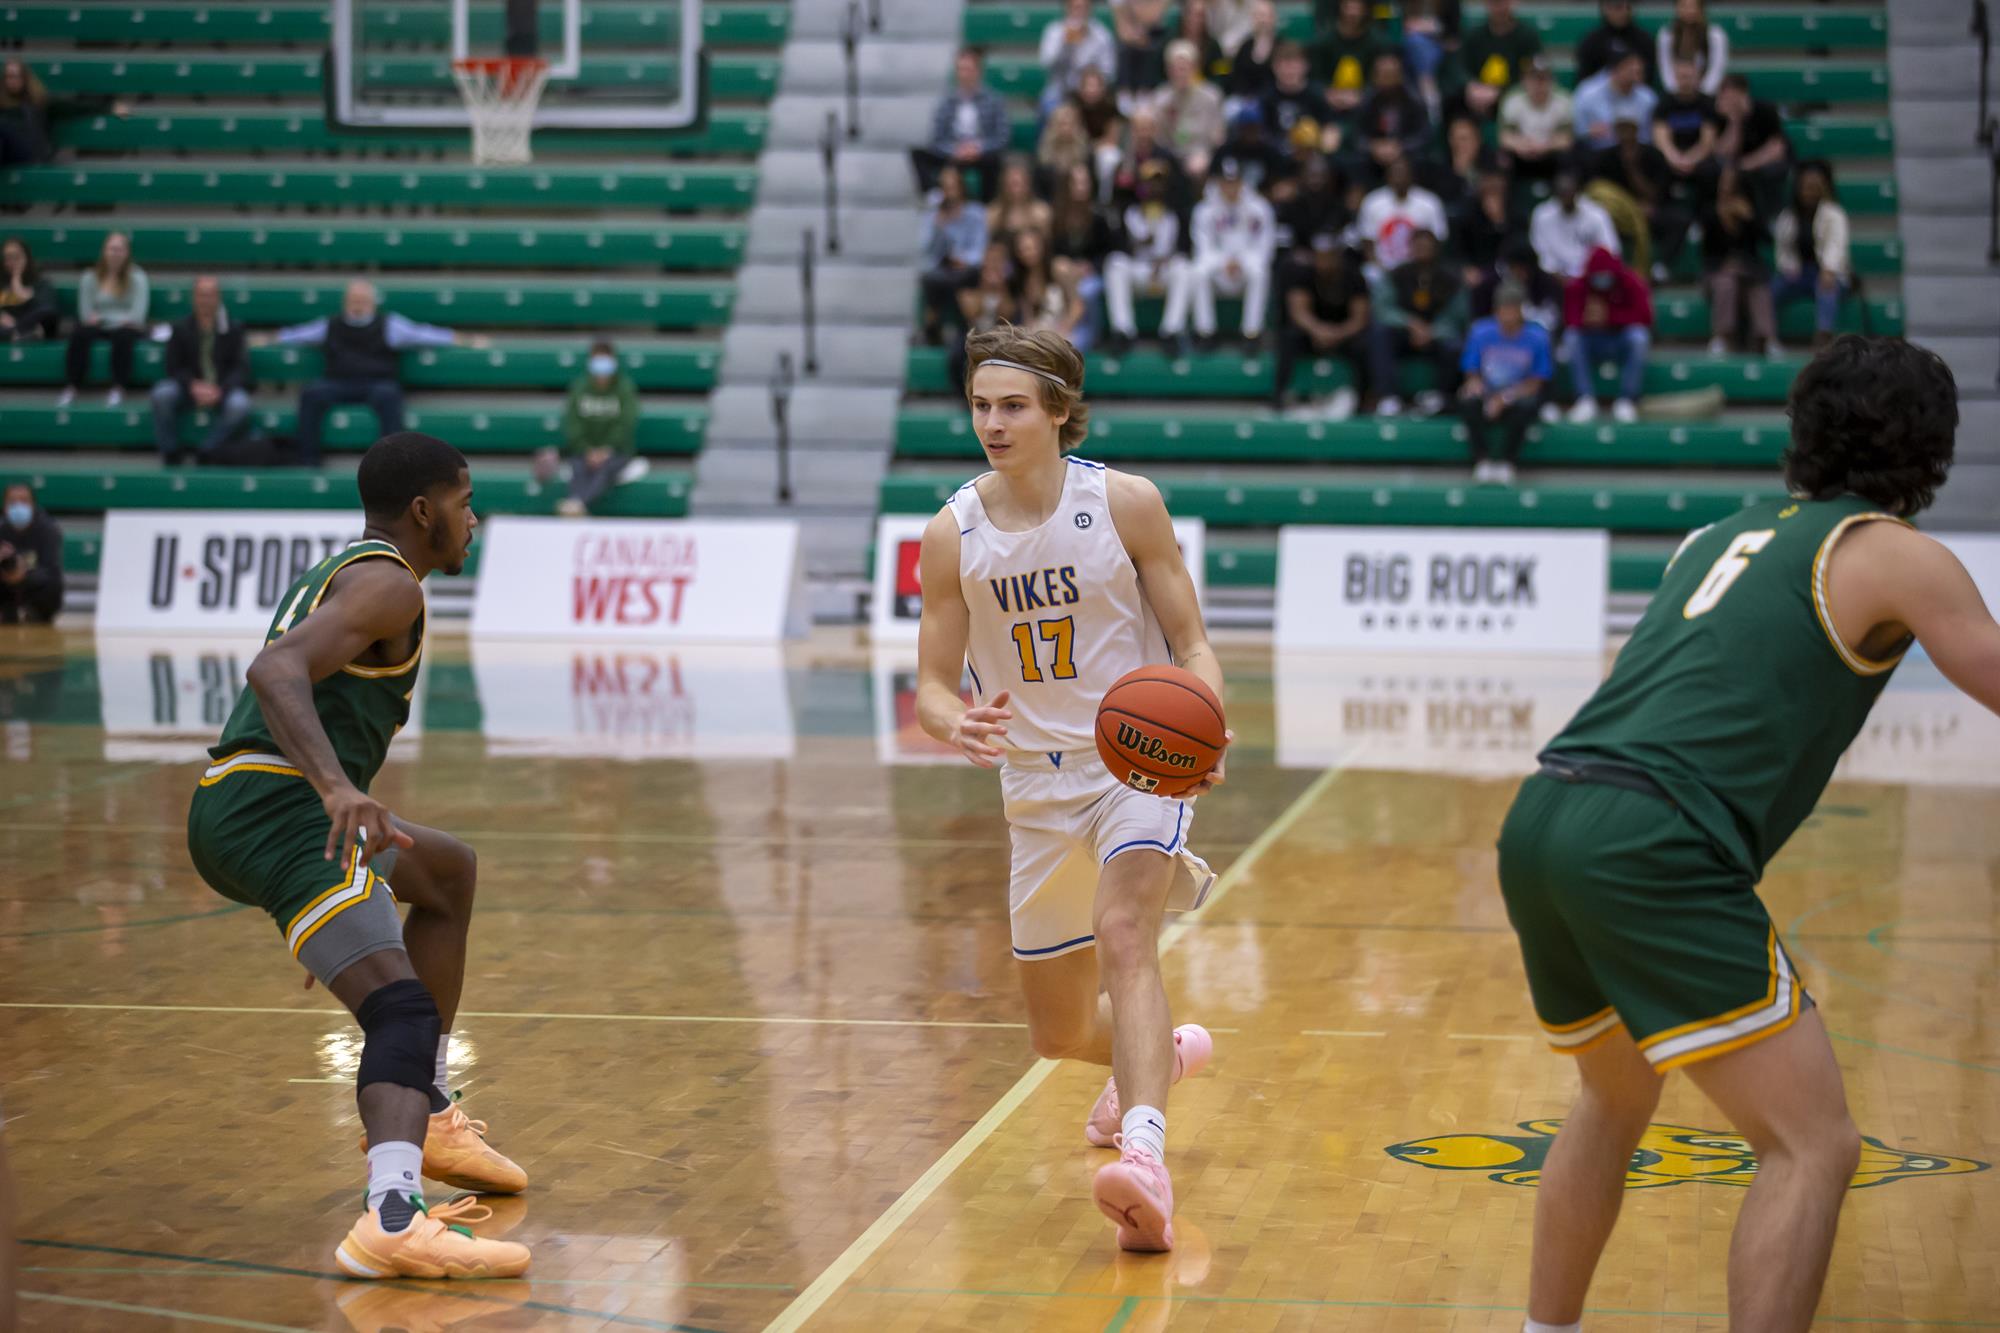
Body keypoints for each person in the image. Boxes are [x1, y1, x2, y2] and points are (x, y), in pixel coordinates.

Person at [1495, 335, 1991, 1333]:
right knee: (1813, 1144)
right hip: (1650, 839)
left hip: (1545, 813)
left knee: (1614, 1095)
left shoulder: (1714, 537)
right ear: (1927, 450)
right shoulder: (1895, 554)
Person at [184, 432, 531, 1281]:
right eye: (464, 499)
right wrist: (338, 788)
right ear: (425, 510)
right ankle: (392, 1213)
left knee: (445, 872)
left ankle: (434, 1110)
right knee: (400, 1011)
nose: (473, 517)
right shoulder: (388, 584)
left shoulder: (358, 566)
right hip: (275, 811)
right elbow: (275, 669)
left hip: (272, 805)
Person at [914, 324, 1223, 1255]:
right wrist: (950, 721)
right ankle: (1156, 1060)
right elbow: (932, 684)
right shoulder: (951, 533)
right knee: (1053, 1032)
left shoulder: (1125, 504)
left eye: (1012, 405)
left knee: (1128, 934)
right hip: (1033, 791)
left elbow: (1192, 641)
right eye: (980, 405)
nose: (993, 423)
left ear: (1057, 409)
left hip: (1135, 764)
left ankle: (1146, 1157)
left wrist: (1204, 716)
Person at [267, 281, 488, 468]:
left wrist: (463, 339)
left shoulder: (390, 325)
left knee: (389, 396)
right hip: (338, 382)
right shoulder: (330, 325)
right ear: (345, 302)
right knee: (312, 393)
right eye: (354, 300)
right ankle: (308, 459)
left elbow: (424, 334)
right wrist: (270, 338)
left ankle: (390, 464)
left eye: (362, 301)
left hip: (376, 383)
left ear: (373, 303)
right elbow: (299, 334)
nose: (357, 306)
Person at [151, 275, 253, 466]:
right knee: (161, 394)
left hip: (221, 389)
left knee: (241, 405)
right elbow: (172, 366)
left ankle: (208, 449)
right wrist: (192, 385)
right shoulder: (181, 327)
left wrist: (221, 389)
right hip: (188, 388)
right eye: (201, 295)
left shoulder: (233, 328)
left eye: (210, 295)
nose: (206, 300)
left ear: (218, 298)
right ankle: (170, 451)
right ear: (194, 298)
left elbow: (241, 368)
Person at [1457, 282, 1550, 484]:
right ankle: (1481, 460)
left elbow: (1537, 381)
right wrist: (1476, 386)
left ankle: (1508, 462)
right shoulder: (1480, 331)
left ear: (1521, 311)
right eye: (1503, 308)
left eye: (1512, 308)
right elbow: (1471, 371)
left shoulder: (1537, 336)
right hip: (1488, 392)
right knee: (1468, 400)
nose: (1507, 314)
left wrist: (1506, 398)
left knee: (1526, 406)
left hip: (1518, 394)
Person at [1273, 234, 1375, 417]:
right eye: (1320, 256)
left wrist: (1336, 333)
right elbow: (1298, 311)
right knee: (1288, 338)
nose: (1324, 262)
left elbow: (1360, 318)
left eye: (1329, 256)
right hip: (1313, 332)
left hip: (1343, 333)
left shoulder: (1353, 276)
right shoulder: (1303, 273)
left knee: (1365, 345)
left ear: (1337, 257)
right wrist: (1318, 330)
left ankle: (1364, 399)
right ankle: (1280, 394)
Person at [1368, 227, 1465, 417]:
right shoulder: (1396, 274)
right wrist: (1410, 323)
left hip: (1438, 336)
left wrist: (1432, 331)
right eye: (1417, 246)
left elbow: (1458, 315)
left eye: (1426, 246)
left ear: (1436, 249)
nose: (1422, 250)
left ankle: (1440, 396)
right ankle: (1389, 397)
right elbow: (1382, 308)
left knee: (1455, 345)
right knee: (1380, 334)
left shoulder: (1451, 278)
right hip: (1405, 333)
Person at [1102, 163, 1194, 356]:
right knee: (1115, 263)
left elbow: (1185, 249)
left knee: (1184, 267)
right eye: (1150, 183)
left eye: (1159, 183)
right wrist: (1137, 244)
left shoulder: (1176, 214)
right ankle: (1123, 331)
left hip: (1164, 272)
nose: (1154, 188)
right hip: (1139, 270)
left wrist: (1166, 259)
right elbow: (1118, 247)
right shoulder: (1128, 212)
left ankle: (1171, 331)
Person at [1189, 158, 1277, 350]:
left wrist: (1240, 262)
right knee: (1197, 272)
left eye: (1234, 181)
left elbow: (1265, 245)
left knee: (1260, 272)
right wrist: (1224, 263)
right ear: (1218, 182)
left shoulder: (1259, 207)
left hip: (1246, 267)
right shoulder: (1204, 209)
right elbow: (1202, 248)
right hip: (1218, 270)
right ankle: (1205, 332)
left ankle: (1251, 333)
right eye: (1226, 182)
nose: (1230, 187)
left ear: (1242, 181)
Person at [1561, 245, 1652, 423]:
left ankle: (1627, 398)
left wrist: (1610, 316)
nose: (1602, 279)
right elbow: (1569, 318)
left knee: (1639, 337)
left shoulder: (1629, 281)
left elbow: (1645, 317)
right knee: (1571, 337)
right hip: (1592, 341)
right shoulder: (1579, 286)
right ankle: (1585, 398)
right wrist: (1585, 318)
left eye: (1606, 274)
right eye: (1598, 275)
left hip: (1620, 339)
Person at [552, 342, 644, 518]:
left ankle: (577, 503)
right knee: (578, 466)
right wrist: (586, 449)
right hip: (584, 451)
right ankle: (574, 502)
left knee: (605, 469)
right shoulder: (580, 388)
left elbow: (626, 423)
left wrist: (606, 449)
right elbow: (572, 423)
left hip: (616, 452)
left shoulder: (624, 389)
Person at [58, 231, 148, 408]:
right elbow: (85, 315)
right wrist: (117, 318)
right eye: (111, 248)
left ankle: (118, 387)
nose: (115, 253)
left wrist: (104, 317)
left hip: (123, 328)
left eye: (119, 249)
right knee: (80, 334)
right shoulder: (89, 277)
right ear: (104, 251)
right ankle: (72, 386)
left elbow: (137, 316)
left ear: (127, 253)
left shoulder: (138, 277)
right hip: (100, 326)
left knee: (124, 336)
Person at [1588, 117, 1686, 279]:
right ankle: (1611, 269)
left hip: (1652, 209)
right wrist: (1627, 209)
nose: (1625, 135)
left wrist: (1632, 168)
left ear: (1637, 131)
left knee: (1680, 219)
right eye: (1621, 130)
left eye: (1629, 130)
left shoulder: (1653, 155)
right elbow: (1599, 190)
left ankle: (1661, 267)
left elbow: (1657, 193)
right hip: (1620, 215)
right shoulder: (1606, 157)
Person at [1771, 160, 1851, 351]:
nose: (1809, 192)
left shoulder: (1834, 214)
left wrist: (1828, 269)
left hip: (1827, 272)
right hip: (1799, 273)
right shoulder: (1788, 215)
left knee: (1827, 287)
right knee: (1771, 290)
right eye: (1806, 187)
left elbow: (1836, 246)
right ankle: (1767, 337)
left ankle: (1824, 336)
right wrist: (1788, 268)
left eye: (1814, 188)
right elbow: (1782, 249)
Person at [912, 48, 1011, 200]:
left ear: (979, 71)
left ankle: (986, 205)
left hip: (982, 154)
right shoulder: (945, 101)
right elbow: (936, 138)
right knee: (919, 155)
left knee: (994, 162)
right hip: (953, 153)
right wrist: (954, 150)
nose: (965, 74)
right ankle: (935, 199)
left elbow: (1002, 137)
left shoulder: (994, 99)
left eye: (969, 69)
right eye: (961, 69)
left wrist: (978, 148)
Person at [1702, 167, 1777, 356]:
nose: (1726, 189)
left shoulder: (1751, 210)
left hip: (1748, 273)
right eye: (1723, 184)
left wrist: (1750, 218)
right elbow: (1706, 254)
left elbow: (1768, 240)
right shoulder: (1710, 213)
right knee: (1727, 282)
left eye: (1731, 186)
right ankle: (1722, 336)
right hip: (1717, 272)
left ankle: (1766, 339)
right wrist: (1725, 265)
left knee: (1759, 287)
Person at [919, 166, 990, 346]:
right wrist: (938, 224)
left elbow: (981, 248)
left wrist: (963, 259)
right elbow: (925, 248)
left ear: (961, 188)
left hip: (967, 268)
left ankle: (966, 327)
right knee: (931, 279)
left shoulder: (976, 213)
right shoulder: (934, 215)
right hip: (943, 269)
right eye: (945, 187)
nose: (950, 193)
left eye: (953, 187)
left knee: (963, 280)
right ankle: (933, 328)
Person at [1050, 163, 1117, 350]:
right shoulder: (1057, 218)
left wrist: (1090, 266)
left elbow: (1109, 252)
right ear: (1067, 186)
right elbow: (1053, 251)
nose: (1082, 187)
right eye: (1076, 183)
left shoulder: (1099, 217)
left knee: (1088, 289)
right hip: (1066, 275)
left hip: (1091, 274)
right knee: (1060, 267)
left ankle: (1088, 333)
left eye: (1085, 182)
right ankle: (1068, 320)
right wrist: (1072, 267)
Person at [1450, 0, 1542, 126]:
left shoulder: (1527, 36)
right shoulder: (1474, 35)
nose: (1498, 8)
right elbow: (1459, 67)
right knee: (1452, 100)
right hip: (1476, 94)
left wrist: (1499, 92)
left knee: (1518, 102)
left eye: (1502, 3)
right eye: (1494, 3)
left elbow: (1531, 72)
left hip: (1512, 94)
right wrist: (1470, 85)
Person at [1714, 74, 1791, 222]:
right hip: (1737, 164)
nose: (1730, 100)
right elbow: (1723, 152)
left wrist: (1746, 164)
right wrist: (1735, 121)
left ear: (1744, 93)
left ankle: (1773, 219)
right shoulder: (1723, 116)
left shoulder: (1765, 110)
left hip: (1763, 162)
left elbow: (1776, 149)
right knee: (1713, 171)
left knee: (1770, 172)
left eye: (1732, 95)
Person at [1148, 41, 1226, 182]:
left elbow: (1217, 135)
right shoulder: (1161, 98)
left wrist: (1206, 150)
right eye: (1176, 68)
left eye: (1185, 68)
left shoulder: (1211, 96)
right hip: (1169, 151)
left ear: (1195, 68)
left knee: (1197, 166)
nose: (1181, 73)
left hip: (1199, 150)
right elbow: (1157, 137)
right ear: (1168, 70)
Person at [1352, 52, 1431, 183]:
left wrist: (1401, 147)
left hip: (1405, 151)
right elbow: (1357, 134)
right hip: (1374, 155)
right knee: (1355, 163)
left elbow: (1423, 135)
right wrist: (1373, 147)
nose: (1387, 80)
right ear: (1375, 77)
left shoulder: (1414, 100)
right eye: (1383, 75)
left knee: (1421, 162)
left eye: (1391, 75)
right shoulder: (1367, 101)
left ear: (1400, 76)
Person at [1455, 168, 1524, 316]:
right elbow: (1460, 247)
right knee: (1477, 285)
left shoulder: (1514, 209)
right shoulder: (1469, 212)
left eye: (1497, 182)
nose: (1492, 187)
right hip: (1479, 268)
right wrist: (1467, 267)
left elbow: (1518, 246)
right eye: (1488, 181)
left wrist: (1499, 222)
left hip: (1509, 267)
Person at [1529, 171, 1620, 281]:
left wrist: (1587, 273)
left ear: (1577, 190)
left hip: (1591, 278)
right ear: (1555, 193)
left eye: (1569, 192)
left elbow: (1610, 249)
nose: (1566, 197)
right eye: (1562, 192)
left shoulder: (1596, 214)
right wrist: (1557, 274)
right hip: (1553, 278)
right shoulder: (1542, 215)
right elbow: (1541, 252)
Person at [1654, 57, 1722, 203]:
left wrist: (1691, 159)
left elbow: (1708, 141)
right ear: (1675, 78)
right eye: (1682, 77)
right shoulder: (1665, 103)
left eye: (1689, 77)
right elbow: (1661, 137)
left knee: (1710, 171)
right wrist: (1675, 158)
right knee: (1656, 166)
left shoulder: (1707, 103)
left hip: (1699, 156)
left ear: (1698, 77)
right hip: (1672, 155)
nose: (1685, 81)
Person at [1498, 56, 1573, 185]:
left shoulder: (1563, 100)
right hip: (1521, 153)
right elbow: (1505, 138)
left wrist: (1545, 146)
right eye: (1534, 79)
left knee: (1570, 159)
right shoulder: (1513, 100)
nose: (1539, 85)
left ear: (1552, 81)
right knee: (1502, 160)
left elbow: (1566, 139)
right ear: (1524, 80)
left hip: (1550, 154)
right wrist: (1522, 145)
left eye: (1543, 79)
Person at [1310, 0, 1391, 118]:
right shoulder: (1322, 42)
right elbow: (1314, 78)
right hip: (1328, 105)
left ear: (1365, 10)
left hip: (1367, 107)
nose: (1353, 13)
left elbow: (1380, 80)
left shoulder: (1378, 44)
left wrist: (1363, 95)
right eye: (1348, 6)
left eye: (1358, 7)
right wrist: (1327, 93)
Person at [1040, 0, 1118, 116]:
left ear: (1090, 9)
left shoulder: (1101, 35)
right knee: (1048, 103)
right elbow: (1047, 63)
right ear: (1067, 8)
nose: (1079, 12)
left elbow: (1109, 71)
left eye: (1083, 8)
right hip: (1061, 89)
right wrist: (1065, 44)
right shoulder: (1054, 32)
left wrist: (1091, 81)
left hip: (1091, 90)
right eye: (1075, 7)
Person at [1572, 47, 1657, 154]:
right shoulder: (1587, 93)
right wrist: (1589, 132)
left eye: (1638, 68)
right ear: (1614, 70)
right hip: (1597, 152)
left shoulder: (1648, 97)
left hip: (1635, 153)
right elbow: (1577, 133)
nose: (1635, 68)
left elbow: (1649, 137)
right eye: (1629, 66)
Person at [0, 482, 62, 625]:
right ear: (5, 506)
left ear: (33, 504)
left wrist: (24, 575)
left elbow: (51, 570)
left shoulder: (49, 530)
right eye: (12, 502)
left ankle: (35, 612)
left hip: (34, 587)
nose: (18, 506)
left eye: (24, 501)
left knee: (52, 585)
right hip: (5, 588)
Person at [1576, 0, 1658, 88]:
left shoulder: (1644, 39)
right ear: (1605, 8)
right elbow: (1584, 80)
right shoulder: (1592, 41)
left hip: (1634, 94)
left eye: (1628, 7)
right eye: (1618, 7)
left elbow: (1647, 77)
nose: (1624, 12)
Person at [1658, 0, 1728, 97]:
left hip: (1706, 94)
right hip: (1675, 94)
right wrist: (1675, 90)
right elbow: (1665, 66)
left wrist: (1704, 92)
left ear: (1701, 9)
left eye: (1693, 6)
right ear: (1677, 8)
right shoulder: (1667, 34)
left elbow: (1717, 67)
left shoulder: (1715, 35)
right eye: (1684, 6)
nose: (1689, 10)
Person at [0, 237, 55, 342]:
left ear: (27, 258)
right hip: (6, 327)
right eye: (8, 258)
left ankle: (18, 333)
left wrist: (17, 283)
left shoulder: (41, 283)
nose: (12, 262)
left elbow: (47, 310)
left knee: (48, 313)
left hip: (33, 322)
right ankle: (19, 333)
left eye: (16, 257)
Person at [1226, 0, 1282, 103]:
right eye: (1259, 16)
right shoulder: (1245, 46)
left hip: (1274, 100)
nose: (1263, 20)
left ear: (1273, 18)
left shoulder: (1281, 45)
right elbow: (1237, 76)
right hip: (1246, 99)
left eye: (1266, 16)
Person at [1112, 0, 1172, 95]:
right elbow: (1123, 31)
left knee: (1152, 47)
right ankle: (1125, 92)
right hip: (1131, 38)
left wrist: (1132, 10)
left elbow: (1154, 15)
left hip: (1155, 35)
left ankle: (1145, 92)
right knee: (1123, 48)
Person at [991, 156, 1055, 242]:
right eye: (1010, 184)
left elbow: (1047, 244)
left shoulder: (1041, 212)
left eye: (1018, 184)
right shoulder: (992, 213)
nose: (1015, 189)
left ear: (1028, 185)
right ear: (1003, 185)